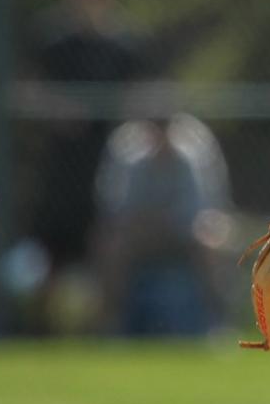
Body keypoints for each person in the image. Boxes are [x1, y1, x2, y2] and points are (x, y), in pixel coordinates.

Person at [25, 0, 150, 331]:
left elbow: (139, 95)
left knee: (106, 244)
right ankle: (36, 329)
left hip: (109, 162)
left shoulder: (123, 41)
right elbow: (30, 89)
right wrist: (57, 110)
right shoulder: (53, 38)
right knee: (53, 253)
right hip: (64, 164)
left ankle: (104, 325)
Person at [91, 111, 230, 336]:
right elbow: (121, 214)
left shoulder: (189, 158)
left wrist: (160, 222)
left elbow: (196, 215)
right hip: (142, 237)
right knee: (112, 245)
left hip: (182, 235)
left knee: (211, 241)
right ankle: (111, 323)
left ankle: (216, 321)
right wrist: (153, 225)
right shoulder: (132, 158)